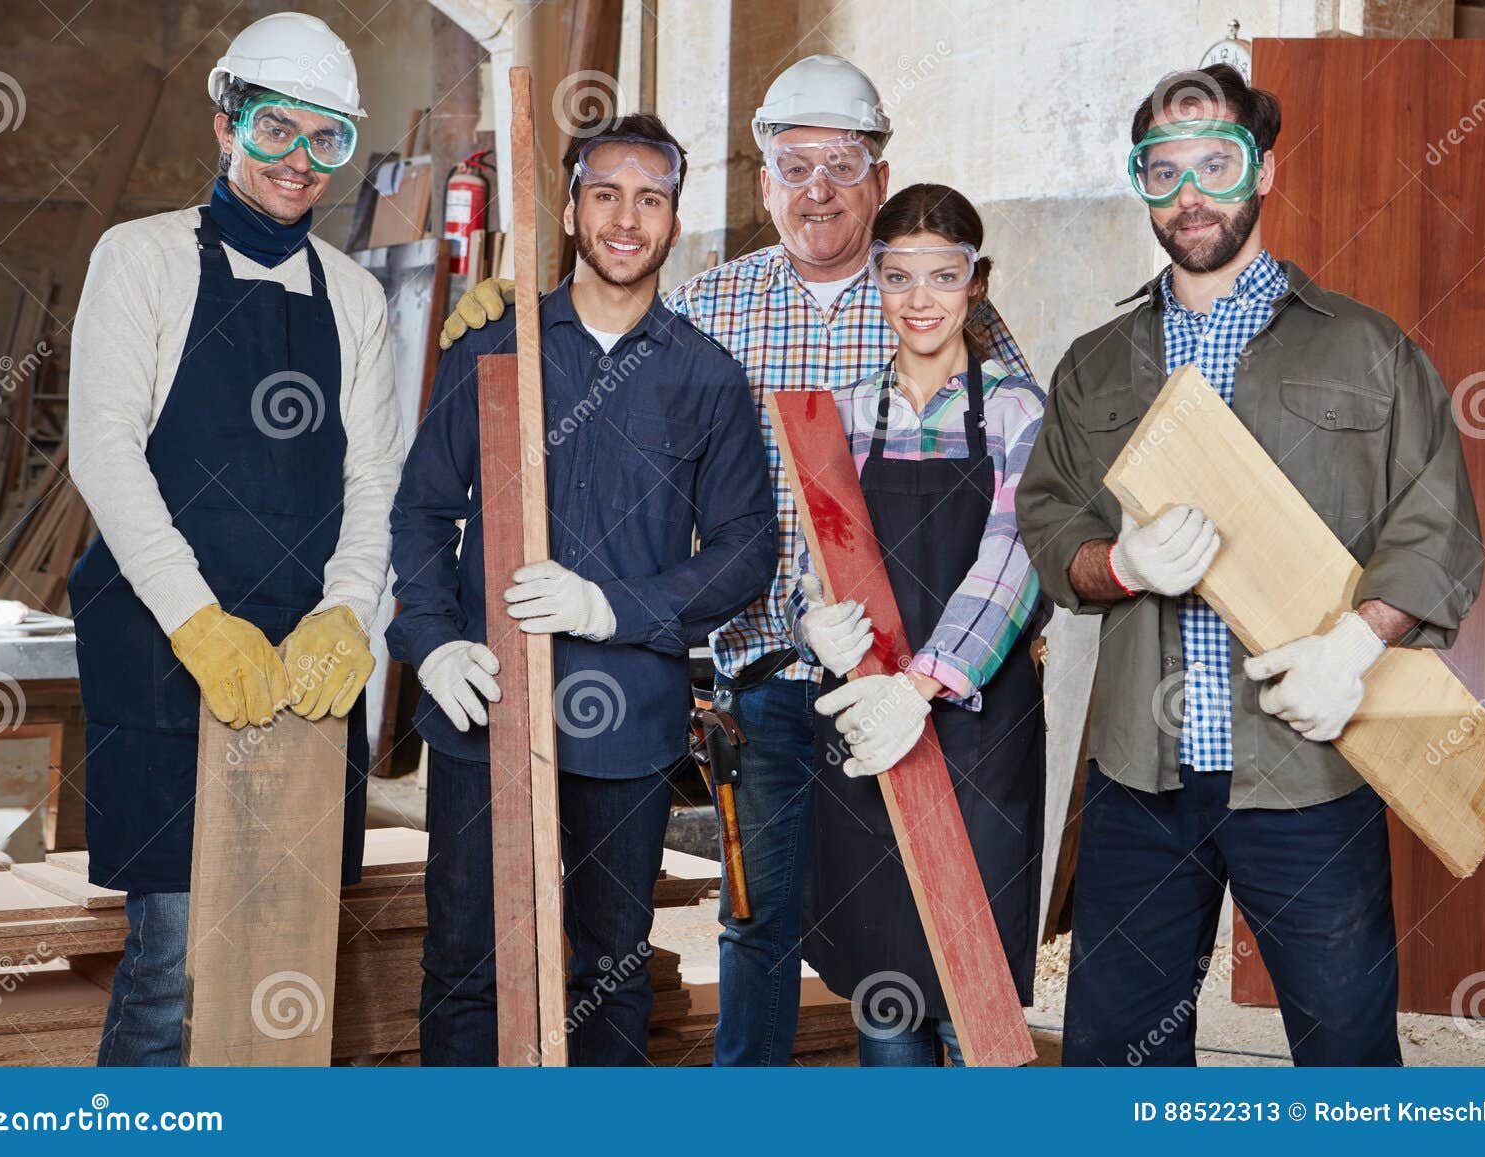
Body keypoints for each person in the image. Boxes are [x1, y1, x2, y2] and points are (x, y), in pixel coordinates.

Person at [433, 55, 1035, 1065]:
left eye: (842, 164)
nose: (817, 190)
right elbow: (600, 343)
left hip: (896, 685)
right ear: (763, 182)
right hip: (761, 678)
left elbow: (1024, 484)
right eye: (794, 166)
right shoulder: (713, 307)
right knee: (758, 925)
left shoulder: (938, 305)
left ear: (880, 177)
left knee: (906, 921)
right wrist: (513, 313)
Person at [1016, 64, 1484, 1067]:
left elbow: (1436, 526)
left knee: (1347, 1060)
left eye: (1216, 165)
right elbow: (1050, 526)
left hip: (1308, 770)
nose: (1190, 194)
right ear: (1142, 183)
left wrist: (1354, 645)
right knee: (1115, 1061)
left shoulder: (1368, 350)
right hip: (1141, 774)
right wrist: (1116, 562)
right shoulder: (1096, 363)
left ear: (1262, 171)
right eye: (1164, 171)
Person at [387, 114, 777, 1066]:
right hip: (486, 711)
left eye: (651, 199)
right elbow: (421, 510)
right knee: (467, 964)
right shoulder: (494, 348)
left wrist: (615, 608)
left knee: (609, 969)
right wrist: (433, 641)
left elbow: (746, 551)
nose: (626, 218)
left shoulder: (706, 377)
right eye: (605, 194)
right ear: (569, 211)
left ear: (674, 220)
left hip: (627, 722)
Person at [66, 11, 403, 1066]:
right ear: (225, 123)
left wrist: (348, 611)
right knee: (173, 953)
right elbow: (105, 453)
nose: (299, 161)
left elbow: (375, 480)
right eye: (274, 130)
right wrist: (196, 620)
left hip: (304, 659)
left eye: (326, 138)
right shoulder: (142, 259)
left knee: (285, 949)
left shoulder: (356, 297)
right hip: (167, 649)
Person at [788, 184, 1045, 1066]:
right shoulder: (841, 415)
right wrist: (813, 622)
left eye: (943, 274)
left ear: (978, 282)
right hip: (867, 724)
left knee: (971, 994)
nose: (920, 298)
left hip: (978, 732)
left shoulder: (1017, 411)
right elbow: (810, 564)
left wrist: (923, 681)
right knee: (886, 987)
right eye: (899, 276)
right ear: (876, 283)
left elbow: (1016, 558)